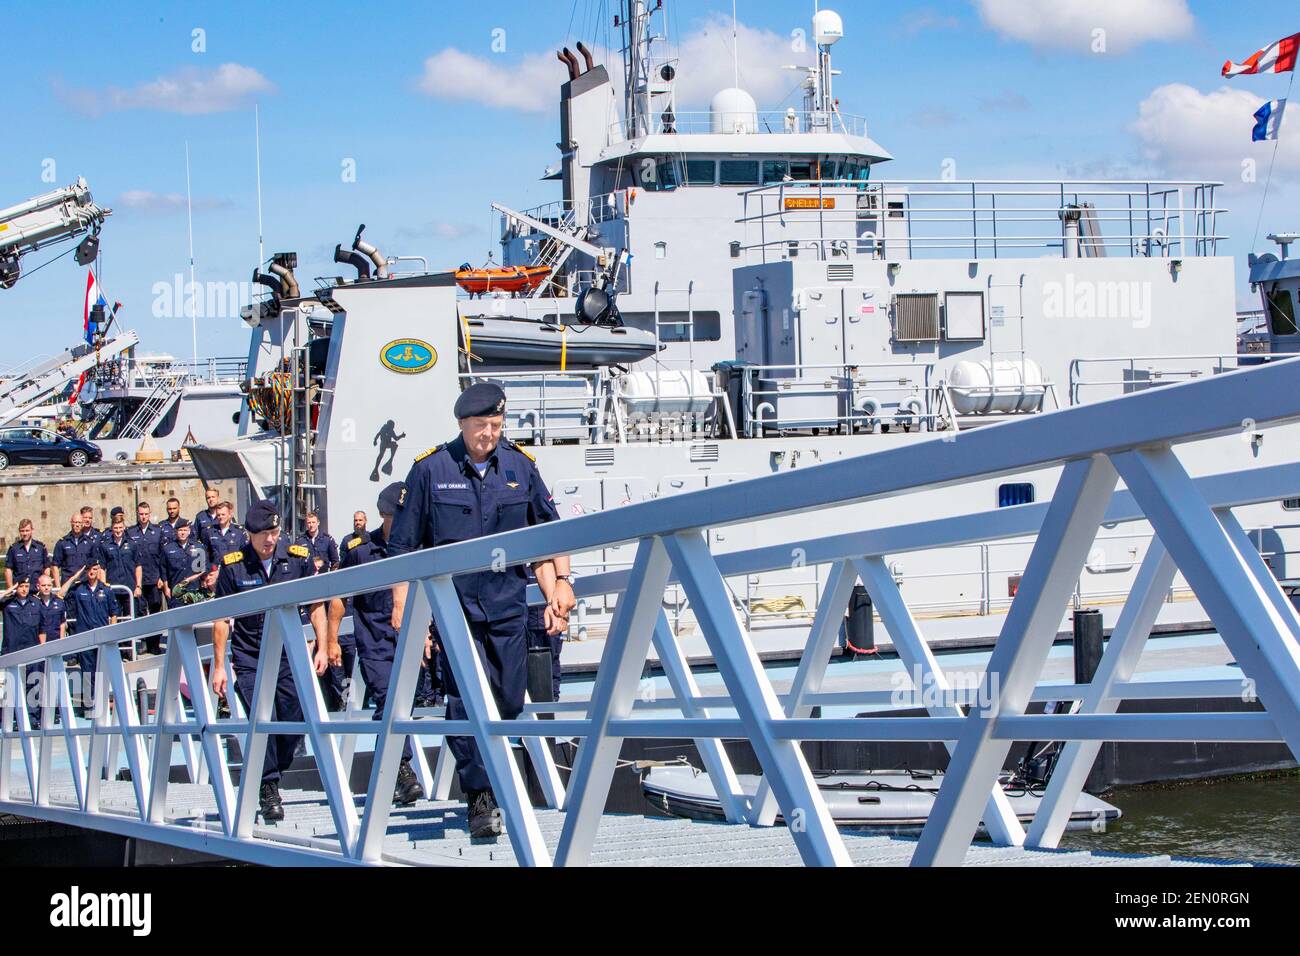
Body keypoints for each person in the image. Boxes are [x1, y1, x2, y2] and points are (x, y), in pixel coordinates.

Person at [387, 382, 576, 838]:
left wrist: (561, 585)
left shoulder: (520, 467)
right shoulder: (431, 470)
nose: (488, 433)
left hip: (507, 607)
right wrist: (401, 605)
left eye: (495, 424)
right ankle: (481, 795)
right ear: (461, 425)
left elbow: (550, 534)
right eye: (480, 426)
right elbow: (403, 547)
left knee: (509, 700)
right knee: (465, 701)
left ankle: (487, 780)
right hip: (454, 610)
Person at [210, 500, 336, 822]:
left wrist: (322, 646)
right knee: (262, 718)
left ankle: (270, 771)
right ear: (250, 534)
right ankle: (268, 789)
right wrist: (220, 665)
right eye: (264, 534)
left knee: (294, 719)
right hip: (251, 655)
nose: (270, 540)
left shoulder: (296, 560)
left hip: (288, 655)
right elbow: (222, 618)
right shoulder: (233, 566)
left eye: (275, 532)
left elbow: (316, 605)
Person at [329, 483, 425, 806]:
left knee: (405, 704)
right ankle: (403, 769)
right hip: (374, 641)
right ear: (385, 513)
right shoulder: (360, 550)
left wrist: (428, 633)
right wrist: (329, 640)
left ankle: (389, 777)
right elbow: (339, 597)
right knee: (387, 699)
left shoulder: (415, 547)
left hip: (407, 638)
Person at [68, 557, 116, 714]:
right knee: (87, 672)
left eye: (95, 569)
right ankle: (89, 706)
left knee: (102, 671)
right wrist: (75, 577)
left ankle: (101, 704)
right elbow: (61, 594)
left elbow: (113, 613)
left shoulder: (106, 590)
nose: (91, 572)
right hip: (86, 636)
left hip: (102, 636)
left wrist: (112, 634)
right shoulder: (78, 590)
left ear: (98, 570)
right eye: (88, 569)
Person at [1, 577, 44, 728]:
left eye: (26, 586)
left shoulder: (36, 603)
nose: (24, 589)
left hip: (31, 649)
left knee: (32, 684)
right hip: (11, 650)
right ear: (15, 588)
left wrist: (42, 649)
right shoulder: (7, 603)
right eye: (21, 586)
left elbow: (42, 628)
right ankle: (14, 719)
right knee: (12, 686)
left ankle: (32, 719)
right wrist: (10, 589)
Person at [125, 501, 166, 654]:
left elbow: (163, 556)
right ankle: (143, 642)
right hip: (138, 581)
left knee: (155, 610)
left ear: (150, 514)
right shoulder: (130, 532)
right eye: (141, 514)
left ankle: (154, 643)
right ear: (137, 514)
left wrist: (162, 577)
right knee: (140, 612)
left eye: (146, 514)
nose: (143, 517)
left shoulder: (157, 531)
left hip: (154, 578)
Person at [96, 507, 138, 619]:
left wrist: (138, 586)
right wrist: (103, 585)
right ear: (112, 528)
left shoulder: (132, 544)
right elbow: (102, 568)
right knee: (115, 617)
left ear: (124, 528)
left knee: (131, 618)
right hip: (113, 588)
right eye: (115, 528)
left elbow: (138, 566)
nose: (118, 530)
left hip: (130, 587)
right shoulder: (105, 545)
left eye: (120, 527)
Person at [162, 519, 208, 599]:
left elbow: (204, 567)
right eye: (180, 530)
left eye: (185, 530)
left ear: (189, 531)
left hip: (194, 590)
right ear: (176, 531)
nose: (183, 533)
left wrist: (204, 581)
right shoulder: (167, 549)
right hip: (176, 589)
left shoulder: (199, 547)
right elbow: (163, 570)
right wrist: (166, 588)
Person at [52, 513, 96, 593]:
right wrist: (59, 588)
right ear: (71, 523)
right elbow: (55, 566)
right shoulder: (62, 543)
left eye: (79, 523)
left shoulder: (90, 543)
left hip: (85, 585)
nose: (77, 525)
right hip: (68, 586)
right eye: (75, 522)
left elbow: (95, 566)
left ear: (83, 524)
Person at [5, 519, 49, 589]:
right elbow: (8, 570)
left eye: (27, 530)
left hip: (36, 589)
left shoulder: (41, 547)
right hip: (20, 590)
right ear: (19, 531)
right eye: (22, 531)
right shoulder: (13, 548)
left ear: (32, 530)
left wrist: (45, 586)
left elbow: (46, 568)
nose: (25, 533)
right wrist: (11, 588)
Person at [204, 500, 248, 565]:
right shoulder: (210, 531)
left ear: (230, 515)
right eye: (218, 515)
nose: (220, 517)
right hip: (217, 571)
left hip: (234, 571)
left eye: (223, 514)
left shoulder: (239, 532)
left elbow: (245, 553)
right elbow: (206, 554)